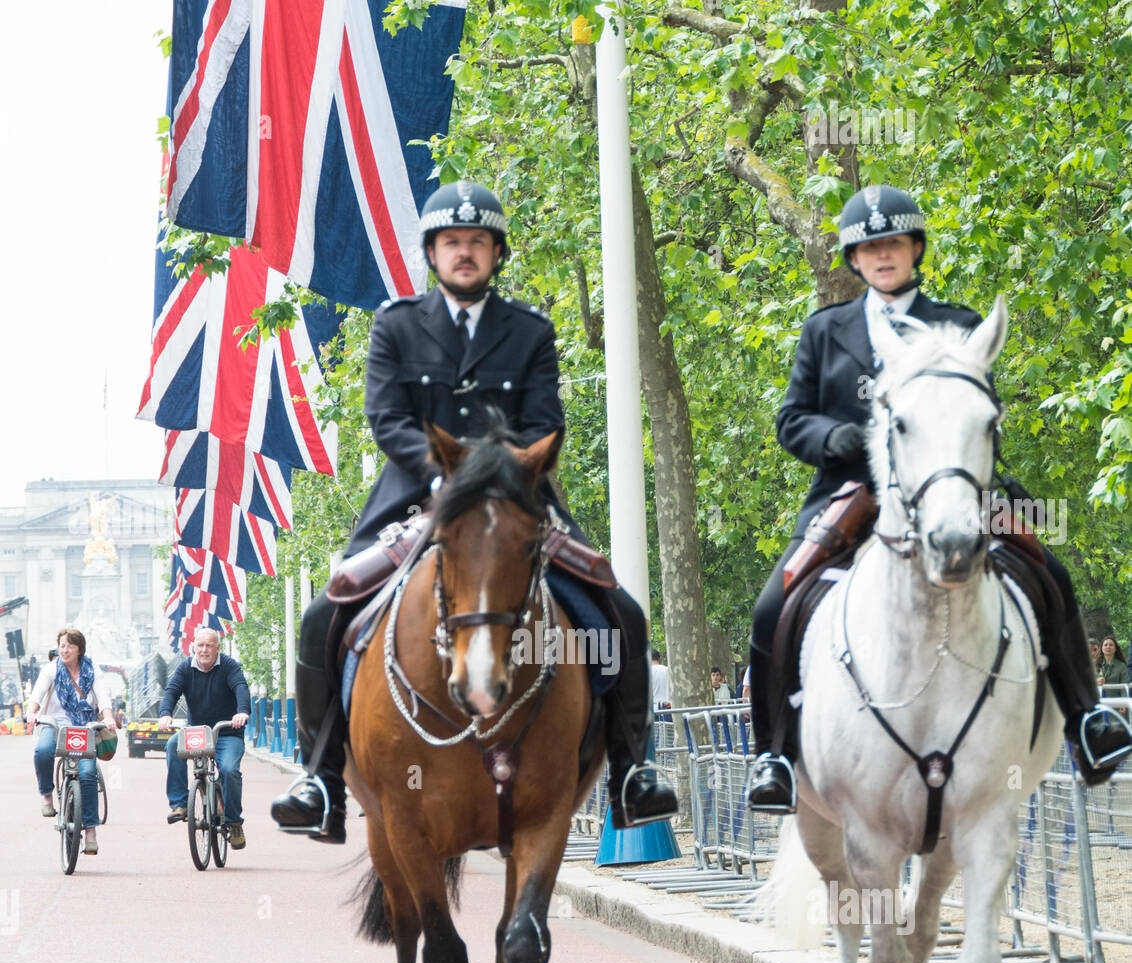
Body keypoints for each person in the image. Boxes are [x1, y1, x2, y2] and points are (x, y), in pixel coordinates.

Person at [270, 180, 676, 843]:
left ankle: (633, 773)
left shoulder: (530, 332)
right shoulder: (396, 325)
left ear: (496, 253)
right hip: (415, 496)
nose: (465, 253)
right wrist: (448, 477)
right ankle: (318, 780)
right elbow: (387, 418)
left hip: (517, 499)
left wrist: (497, 480)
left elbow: (543, 419)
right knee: (326, 610)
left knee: (619, 609)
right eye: (452, 243)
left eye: (477, 243)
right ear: (433, 253)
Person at [746, 184, 1132, 813]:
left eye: (893, 243)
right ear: (853, 260)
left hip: (950, 488)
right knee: (773, 605)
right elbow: (792, 421)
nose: (882, 256)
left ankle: (1089, 721)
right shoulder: (824, 332)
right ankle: (773, 756)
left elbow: (976, 413)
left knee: (1049, 570)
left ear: (914, 248)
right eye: (869, 248)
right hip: (851, 491)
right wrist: (837, 435)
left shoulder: (959, 324)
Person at [158, 628, 251, 849]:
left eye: (209, 645)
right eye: (200, 645)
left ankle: (234, 822)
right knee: (172, 746)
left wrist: (242, 712)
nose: (204, 650)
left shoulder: (229, 666)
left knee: (229, 770)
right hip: (199, 733)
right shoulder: (185, 668)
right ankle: (180, 804)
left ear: (217, 648)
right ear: (194, 647)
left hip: (227, 733)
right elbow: (171, 691)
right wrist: (165, 714)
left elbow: (241, 688)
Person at [25, 628, 115, 855]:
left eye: (70, 646)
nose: (64, 650)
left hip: (84, 728)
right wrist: (32, 712)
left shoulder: (91, 670)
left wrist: (109, 716)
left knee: (86, 775)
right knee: (42, 751)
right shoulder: (51, 669)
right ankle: (47, 794)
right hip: (55, 725)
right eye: (62, 645)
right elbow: (37, 694)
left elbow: (103, 696)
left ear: (79, 649)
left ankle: (91, 832)